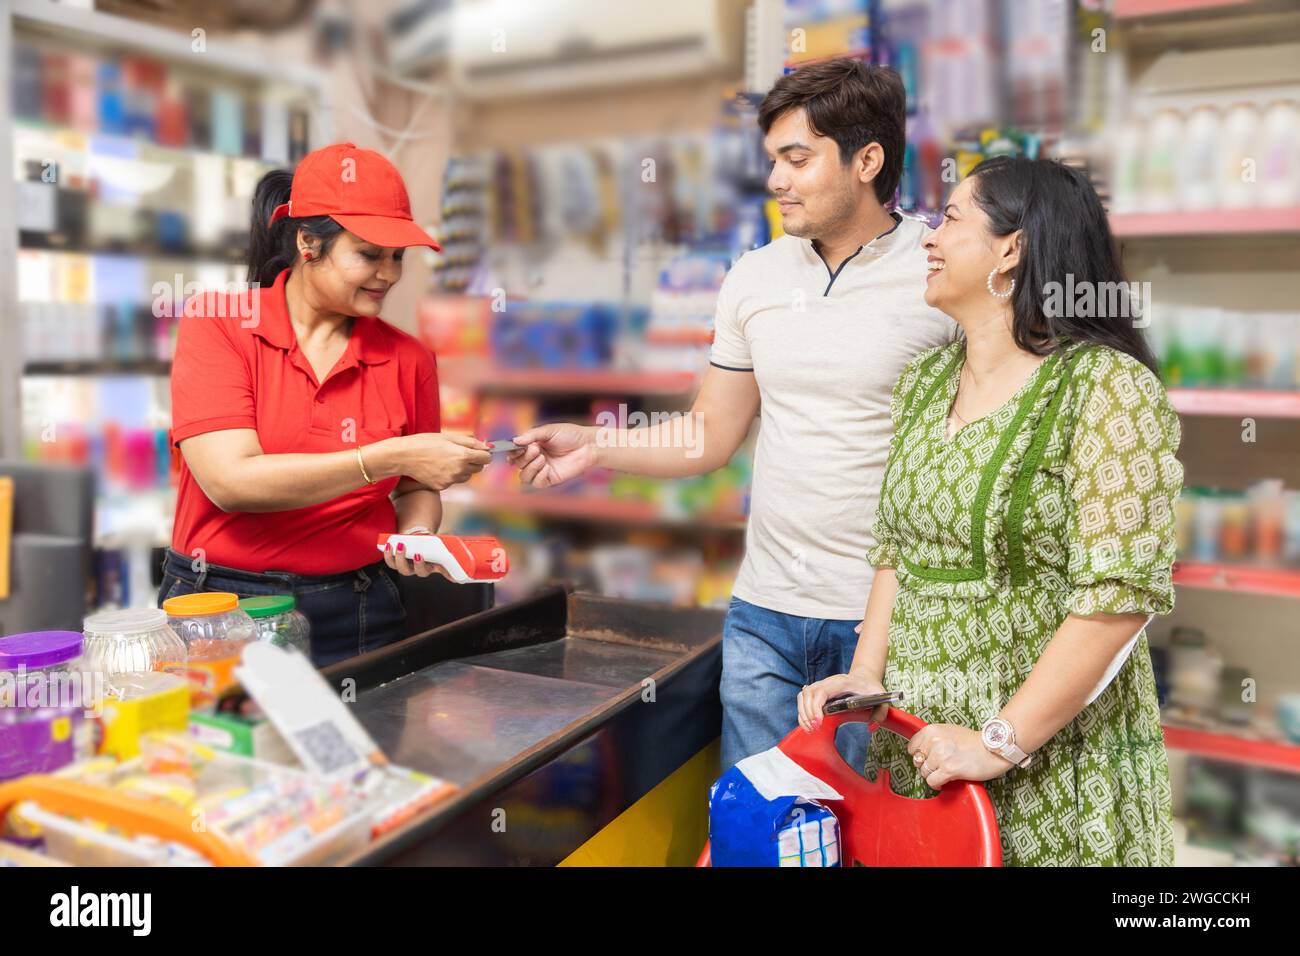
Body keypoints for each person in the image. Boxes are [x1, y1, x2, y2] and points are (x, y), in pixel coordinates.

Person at [508, 59, 956, 771]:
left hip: (891, 621)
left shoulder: (938, 271)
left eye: (797, 159)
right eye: (772, 159)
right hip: (765, 615)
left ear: (868, 160)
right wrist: (593, 446)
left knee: (870, 835)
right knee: (758, 826)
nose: (776, 179)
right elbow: (711, 434)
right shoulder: (754, 276)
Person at [797, 156, 1183, 865]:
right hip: (923, 749)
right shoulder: (924, 382)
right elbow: (897, 550)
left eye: (949, 219)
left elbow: (1119, 600)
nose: (928, 239)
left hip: (1049, 759)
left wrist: (999, 741)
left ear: (1014, 247)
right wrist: (866, 671)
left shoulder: (1105, 389)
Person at [159, 142, 492, 666]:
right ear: (308, 242)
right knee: (220, 748)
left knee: (359, 747)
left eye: (397, 257)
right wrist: (390, 455)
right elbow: (230, 482)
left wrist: (417, 533)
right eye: (369, 254)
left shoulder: (409, 359)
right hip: (220, 608)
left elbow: (416, 487)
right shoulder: (220, 324)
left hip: (357, 607)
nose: (390, 274)